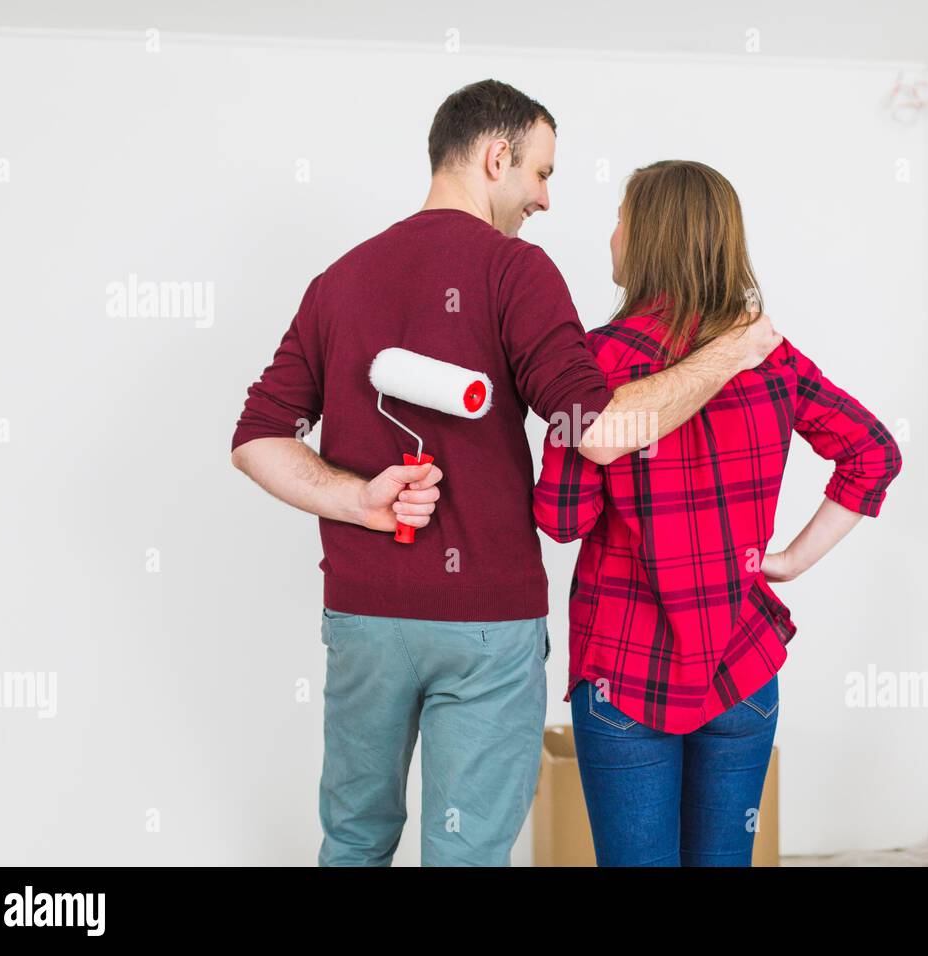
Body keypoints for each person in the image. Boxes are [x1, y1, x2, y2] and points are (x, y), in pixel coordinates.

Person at [229, 82, 780, 866]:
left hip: (362, 620)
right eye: (542, 174)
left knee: (353, 840)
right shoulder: (516, 271)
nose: (545, 200)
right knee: (466, 856)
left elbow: (256, 440)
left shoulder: (339, 281)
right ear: (496, 157)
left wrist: (357, 500)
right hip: (486, 623)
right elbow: (597, 433)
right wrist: (732, 349)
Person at [532, 159, 903, 866]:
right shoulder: (769, 355)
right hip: (741, 665)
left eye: (620, 220)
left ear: (646, 239)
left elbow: (562, 519)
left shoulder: (594, 359)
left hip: (624, 668)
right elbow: (874, 453)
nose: (609, 236)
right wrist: (789, 560)